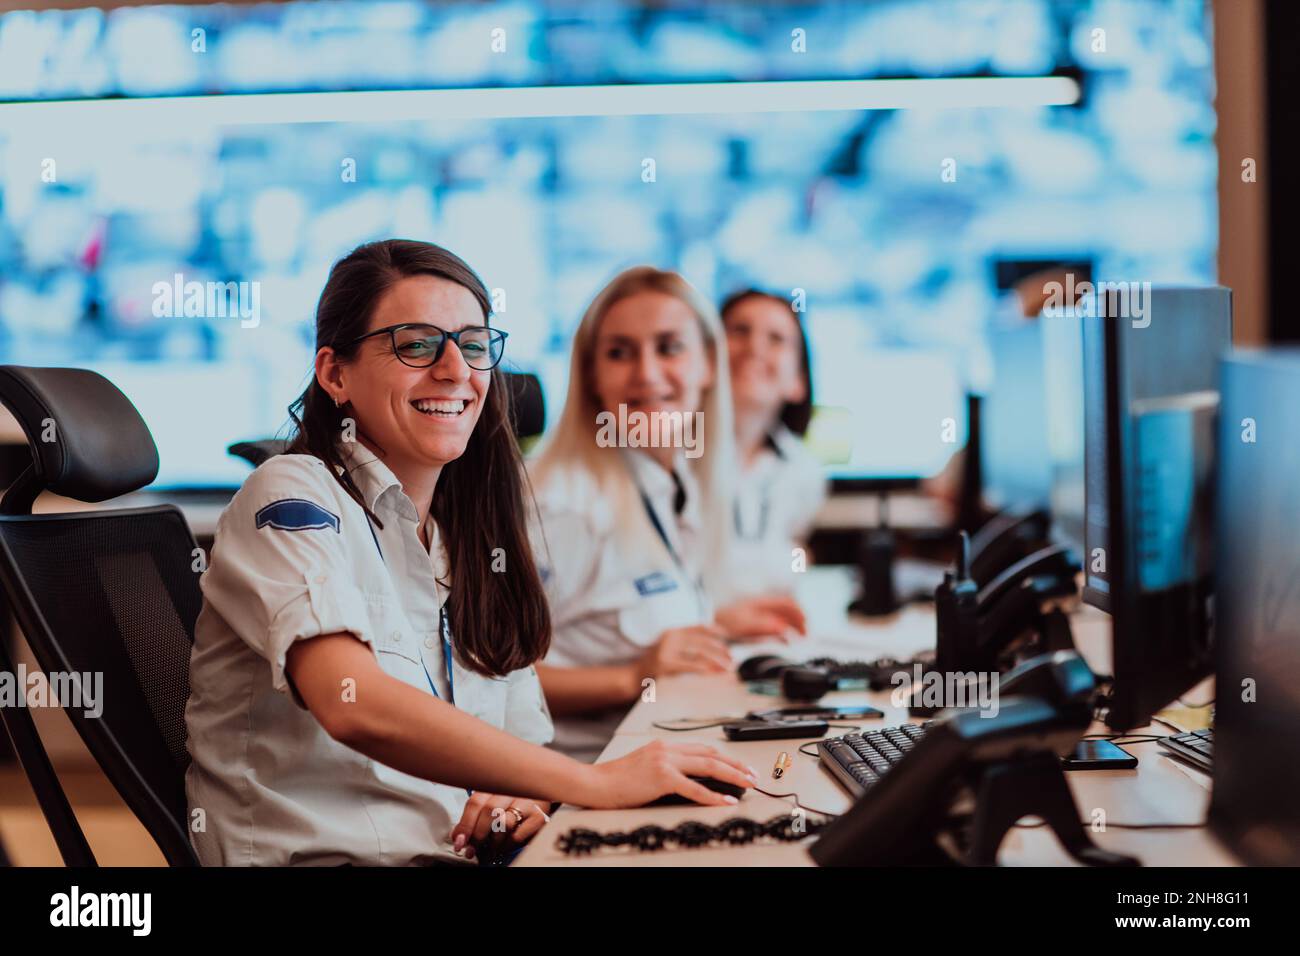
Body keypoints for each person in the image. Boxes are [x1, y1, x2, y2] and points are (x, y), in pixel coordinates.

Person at [184, 240, 756, 867]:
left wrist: (515, 804)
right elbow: (351, 701)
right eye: (417, 343)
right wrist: (594, 783)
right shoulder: (293, 495)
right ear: (334, 373)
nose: (456, 369)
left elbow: (515, 755)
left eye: (474, 345)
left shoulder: (468, 546)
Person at [528, 267, 807, 763]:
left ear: (708, 364)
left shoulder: (672, 481)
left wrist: (715, 625)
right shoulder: (563, 503)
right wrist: (633, 675)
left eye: (669, 347)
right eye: (619, 352)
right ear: (591, 375)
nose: (647, 373)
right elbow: (491, 686)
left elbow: (612, 620)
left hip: (670, 748)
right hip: (583, 782)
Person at [718, 289, 828, 602]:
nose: (754, 347)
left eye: (776, 338)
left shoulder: (804, 470)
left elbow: (794, 550)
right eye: (739, 330)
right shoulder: (669, 456)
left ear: (798, 381)